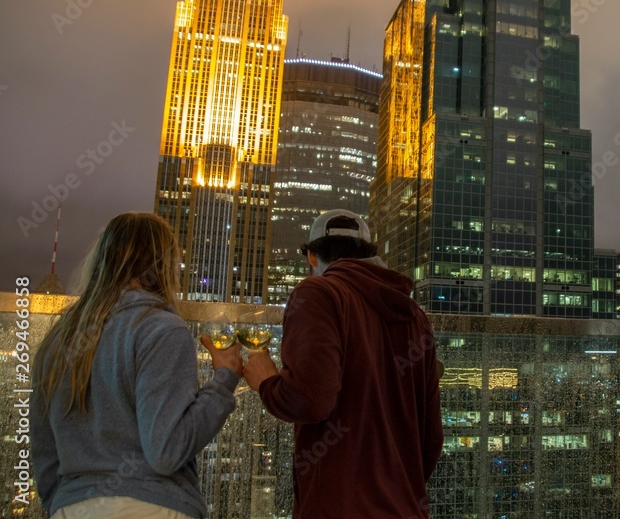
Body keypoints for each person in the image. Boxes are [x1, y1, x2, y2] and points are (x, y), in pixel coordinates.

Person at [30, 212, 243, 519]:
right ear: (163, 265)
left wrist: (62, 503)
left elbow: (45, 454)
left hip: (71, 506)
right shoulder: (160, 328)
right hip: (149, 506)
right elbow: (166, 452)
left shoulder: (59, 338)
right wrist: (224, 381)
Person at [243, 209, 443, 518]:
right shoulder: (415, 315)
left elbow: (310, 400)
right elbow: (431, 439)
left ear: (312, 257)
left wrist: (265, 380)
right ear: (367, 253)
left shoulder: (318, 293)